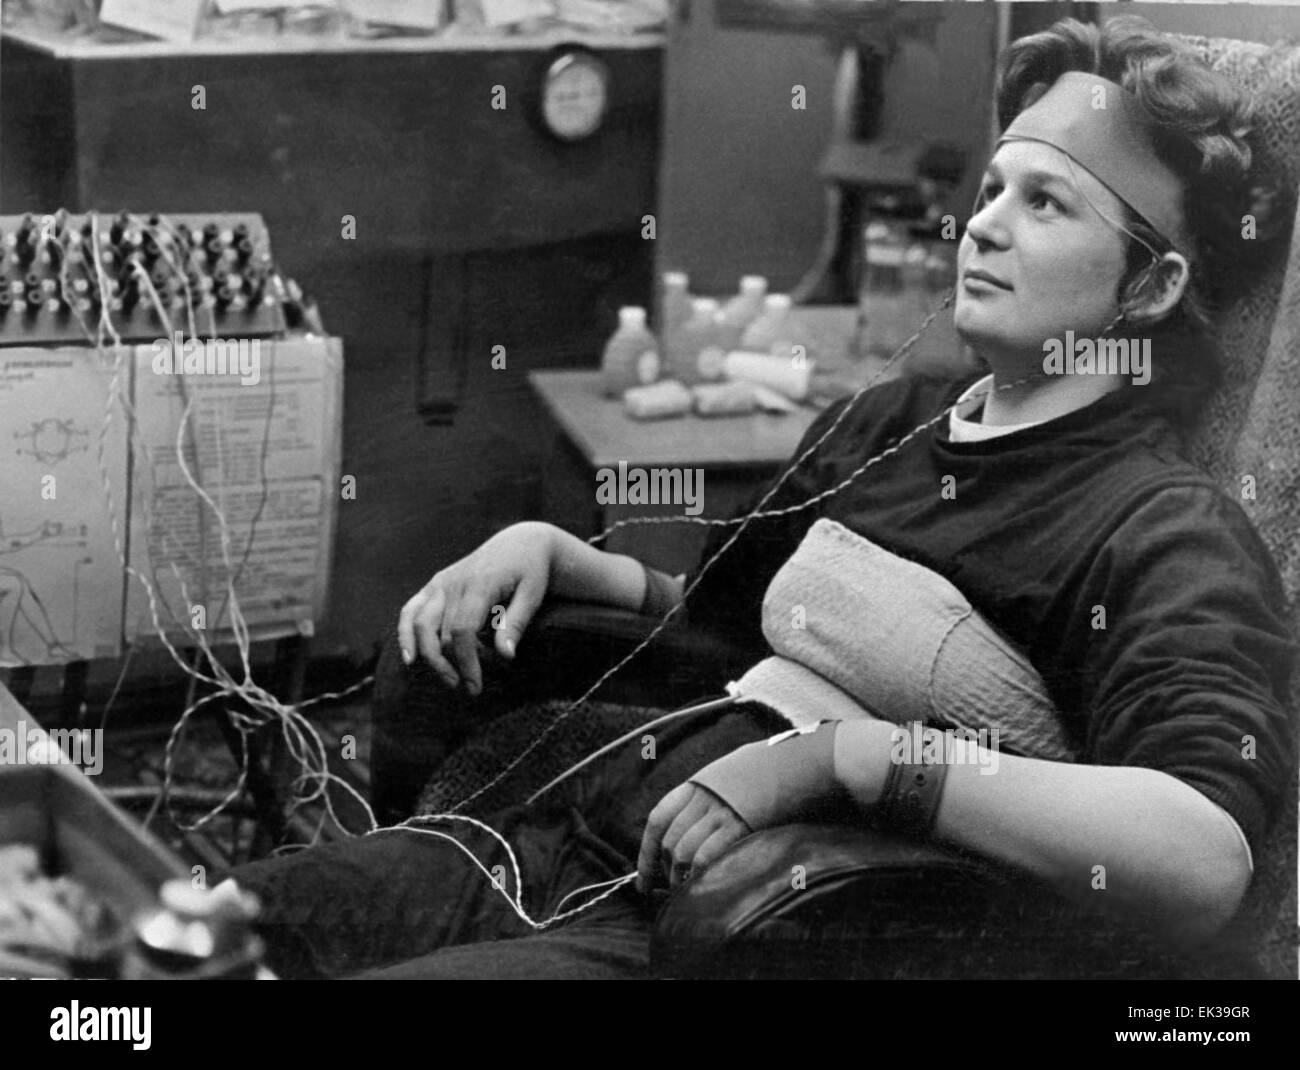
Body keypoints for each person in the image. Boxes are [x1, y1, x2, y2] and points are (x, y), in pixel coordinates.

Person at [226, 16, 1296, 979]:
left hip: (720, 929)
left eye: (1046, 203)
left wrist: (854, 758)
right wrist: (557, 551)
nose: (983, 228)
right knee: (203, 926)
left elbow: (1203, 855)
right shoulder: (889, 420)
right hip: (568, 831)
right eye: (991, 192)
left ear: (1149, 286)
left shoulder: (1160, 529)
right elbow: (722, 626)